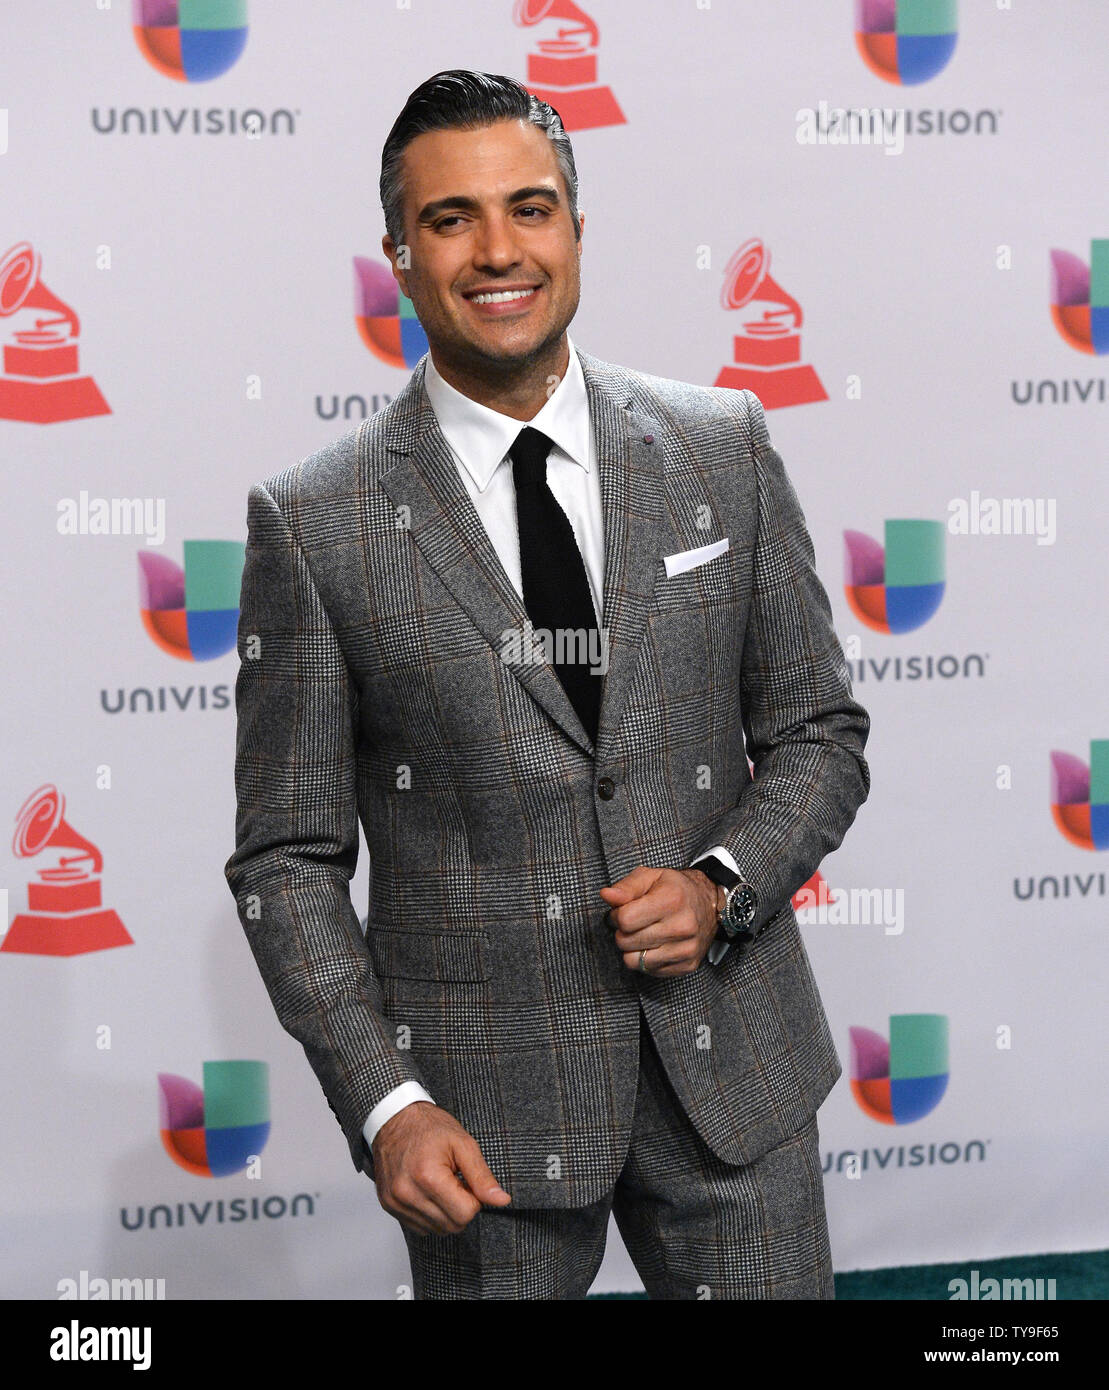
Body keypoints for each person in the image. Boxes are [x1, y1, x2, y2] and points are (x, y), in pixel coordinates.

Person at [225, 69, 870, 1301]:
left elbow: (815, 733)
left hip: (735, 1077)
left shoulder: (718, 444)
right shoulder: (313, 523)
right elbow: (286, 860)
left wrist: (719, 884)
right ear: (397, 257)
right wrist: (388, 1101)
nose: (496, 250)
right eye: (450, 219)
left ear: (575, 228)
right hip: (478, 1125)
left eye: (529, 207)